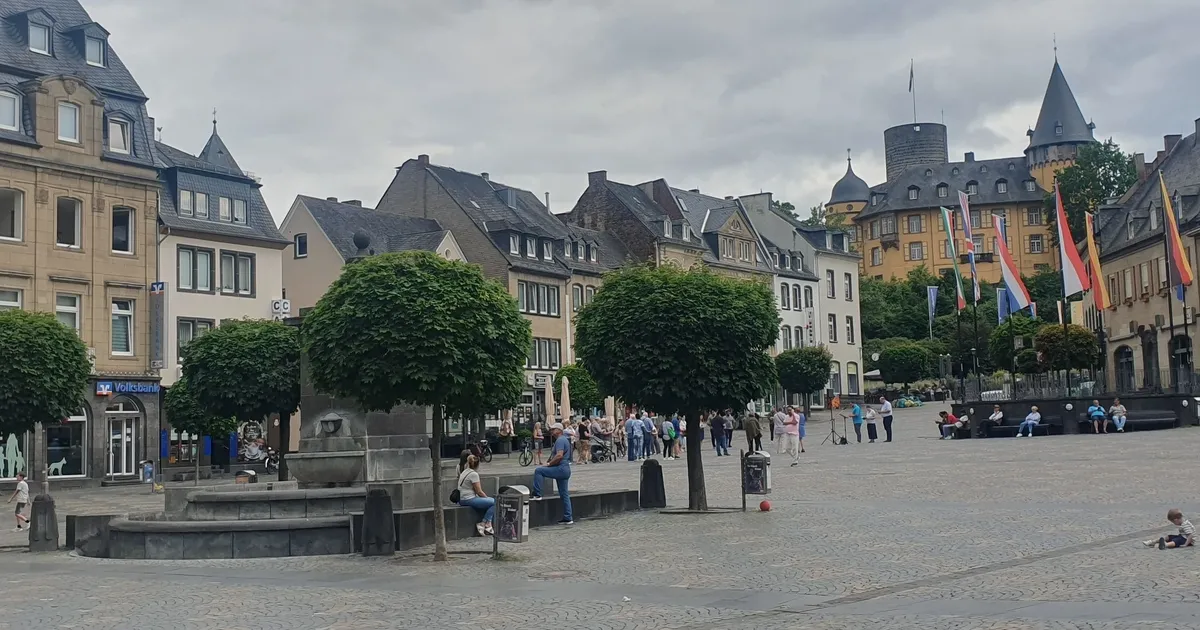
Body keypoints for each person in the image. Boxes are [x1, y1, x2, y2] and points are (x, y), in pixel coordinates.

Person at [531, 423, 573, 525]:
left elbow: (559, 456)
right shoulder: (565, 440)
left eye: (553, 429)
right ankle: (568, 517)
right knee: (564, 494)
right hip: (566, 469)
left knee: (539, 471)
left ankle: (537, 494)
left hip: (561, 468)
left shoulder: (559, 440)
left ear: (559, 430)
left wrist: (549, 464)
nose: (551, 431)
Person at [456, 454, 494, 536]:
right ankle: (484, 523)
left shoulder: (464, 472)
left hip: (461, 499)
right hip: (468, 499)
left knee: (490, 501)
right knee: (495, 502)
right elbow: (479, 492)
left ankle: (488, 523)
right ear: (477, 465)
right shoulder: (474, 474)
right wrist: (487, 499)